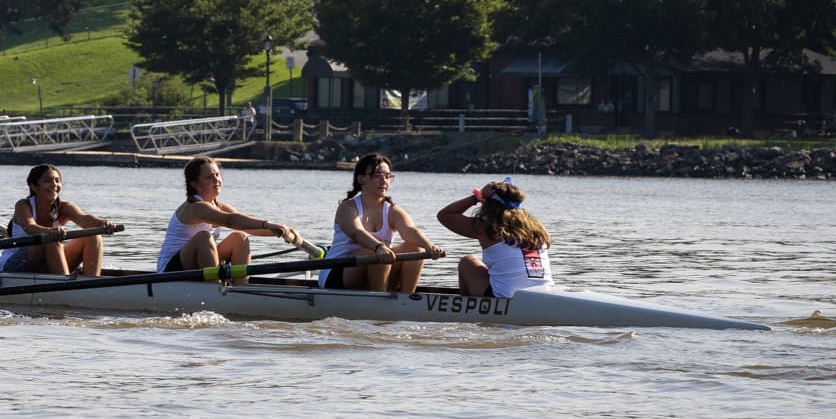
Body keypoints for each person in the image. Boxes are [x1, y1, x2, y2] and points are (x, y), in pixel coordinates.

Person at [320, 152, 445, 291]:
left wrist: (429, 246)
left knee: (415, 248)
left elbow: (409, 231)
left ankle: (406, 299)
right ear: (361, 179)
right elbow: (357, 233)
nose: (384, 181)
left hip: (378, 269)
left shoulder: (392, 210)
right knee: (374, 253)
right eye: (377, 175)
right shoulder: (347, 208)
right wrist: (379, 247)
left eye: (387, 176)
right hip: (338, 275)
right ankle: (380, 300)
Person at [155, 156, 299, 272]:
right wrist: (267, 223)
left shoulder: (219, 206)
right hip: (170, 271)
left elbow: (250, 227)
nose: (216, 180)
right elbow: (231, 221)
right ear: (195, 184)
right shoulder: (194, 207)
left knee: (240, 237)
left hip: (194, 266)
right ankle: (215, 289)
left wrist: (282, 231)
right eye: (209, 177)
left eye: (217, 175)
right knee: (204, 238)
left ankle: (241, 288)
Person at [435, 177, 555, 298]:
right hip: (546, 295)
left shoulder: (487, 227)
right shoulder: (536, 229)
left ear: (488, 204)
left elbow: (444, 215)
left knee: (468, 262)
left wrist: (476, 197)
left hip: (505, 298)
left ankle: (466, 310)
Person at [0, 164, 123, 277]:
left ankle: (91, 283)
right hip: (15, 265)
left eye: (57, 181)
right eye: (48, 181)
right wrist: (52, 231)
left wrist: (104, 223)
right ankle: (65, 286)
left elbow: (85, 220)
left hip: (48, 261)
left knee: (93, 236)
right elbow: (30, 228)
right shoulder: (23, 205)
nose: (54, 185)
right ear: (34, 187)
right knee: (51, 238)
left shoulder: (64, 208)